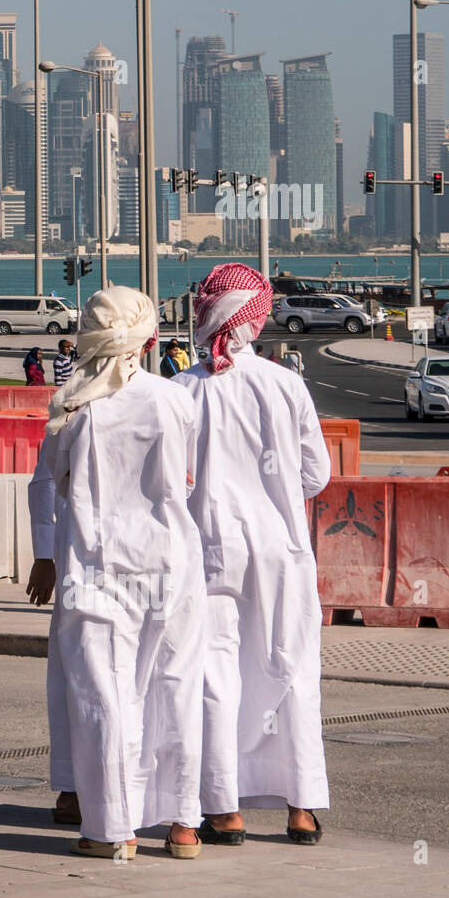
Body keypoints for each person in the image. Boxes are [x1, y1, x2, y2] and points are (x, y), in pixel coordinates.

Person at [26, 286, 206, 860]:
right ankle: (182, 824)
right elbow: (190, 475)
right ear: (149, 340)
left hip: (98, 570)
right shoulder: (174, 400)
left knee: (104, 694)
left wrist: (47, 553)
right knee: (174, 687)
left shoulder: (73, 407)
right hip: (171, 566)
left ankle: (112, 829)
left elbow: (49, 483)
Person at [172, 263, 331, 847]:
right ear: (256, 318)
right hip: (281, 550)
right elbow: (317, 474)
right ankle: (303, 805)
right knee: (290, 667)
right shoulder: (286, 384)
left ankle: (223, 808)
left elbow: (172, 482)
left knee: (214, 674)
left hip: (209, 552)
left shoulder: (184, 389)